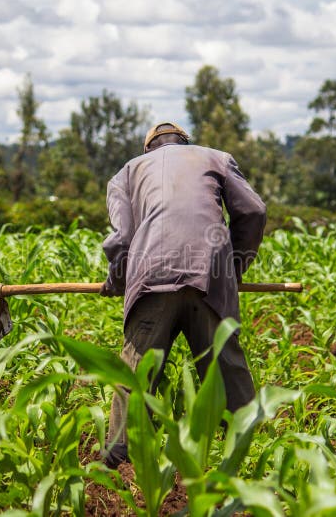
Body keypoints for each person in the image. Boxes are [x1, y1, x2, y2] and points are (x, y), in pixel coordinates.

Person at [100, 122, 267, 468]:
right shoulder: (217, 158)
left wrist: (117, 280)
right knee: (227, 370)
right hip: (208, 277)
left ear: (149, 149)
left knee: (135, 375)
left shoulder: (127, 173)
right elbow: (253, 211)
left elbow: (122, 238)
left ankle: (116, 465)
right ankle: (253, 455)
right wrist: (232, 268)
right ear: (185, 143)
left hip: (152, 278)